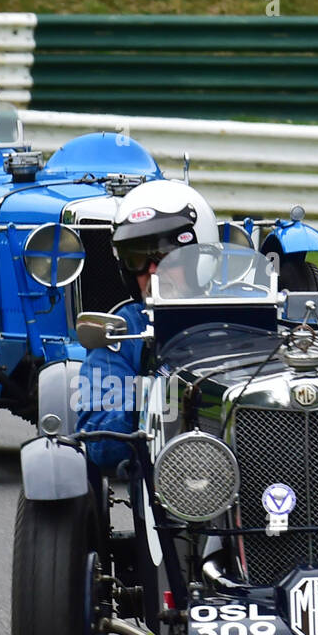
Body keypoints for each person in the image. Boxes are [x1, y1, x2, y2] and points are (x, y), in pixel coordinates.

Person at [76, 179, 218, 470]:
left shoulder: (248, 315)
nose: (153, 271)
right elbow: (100, 441)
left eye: (166, 256)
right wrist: (154, 399)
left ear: (200, 255)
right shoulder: (123, 332)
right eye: (138, 259)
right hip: (172, 478)